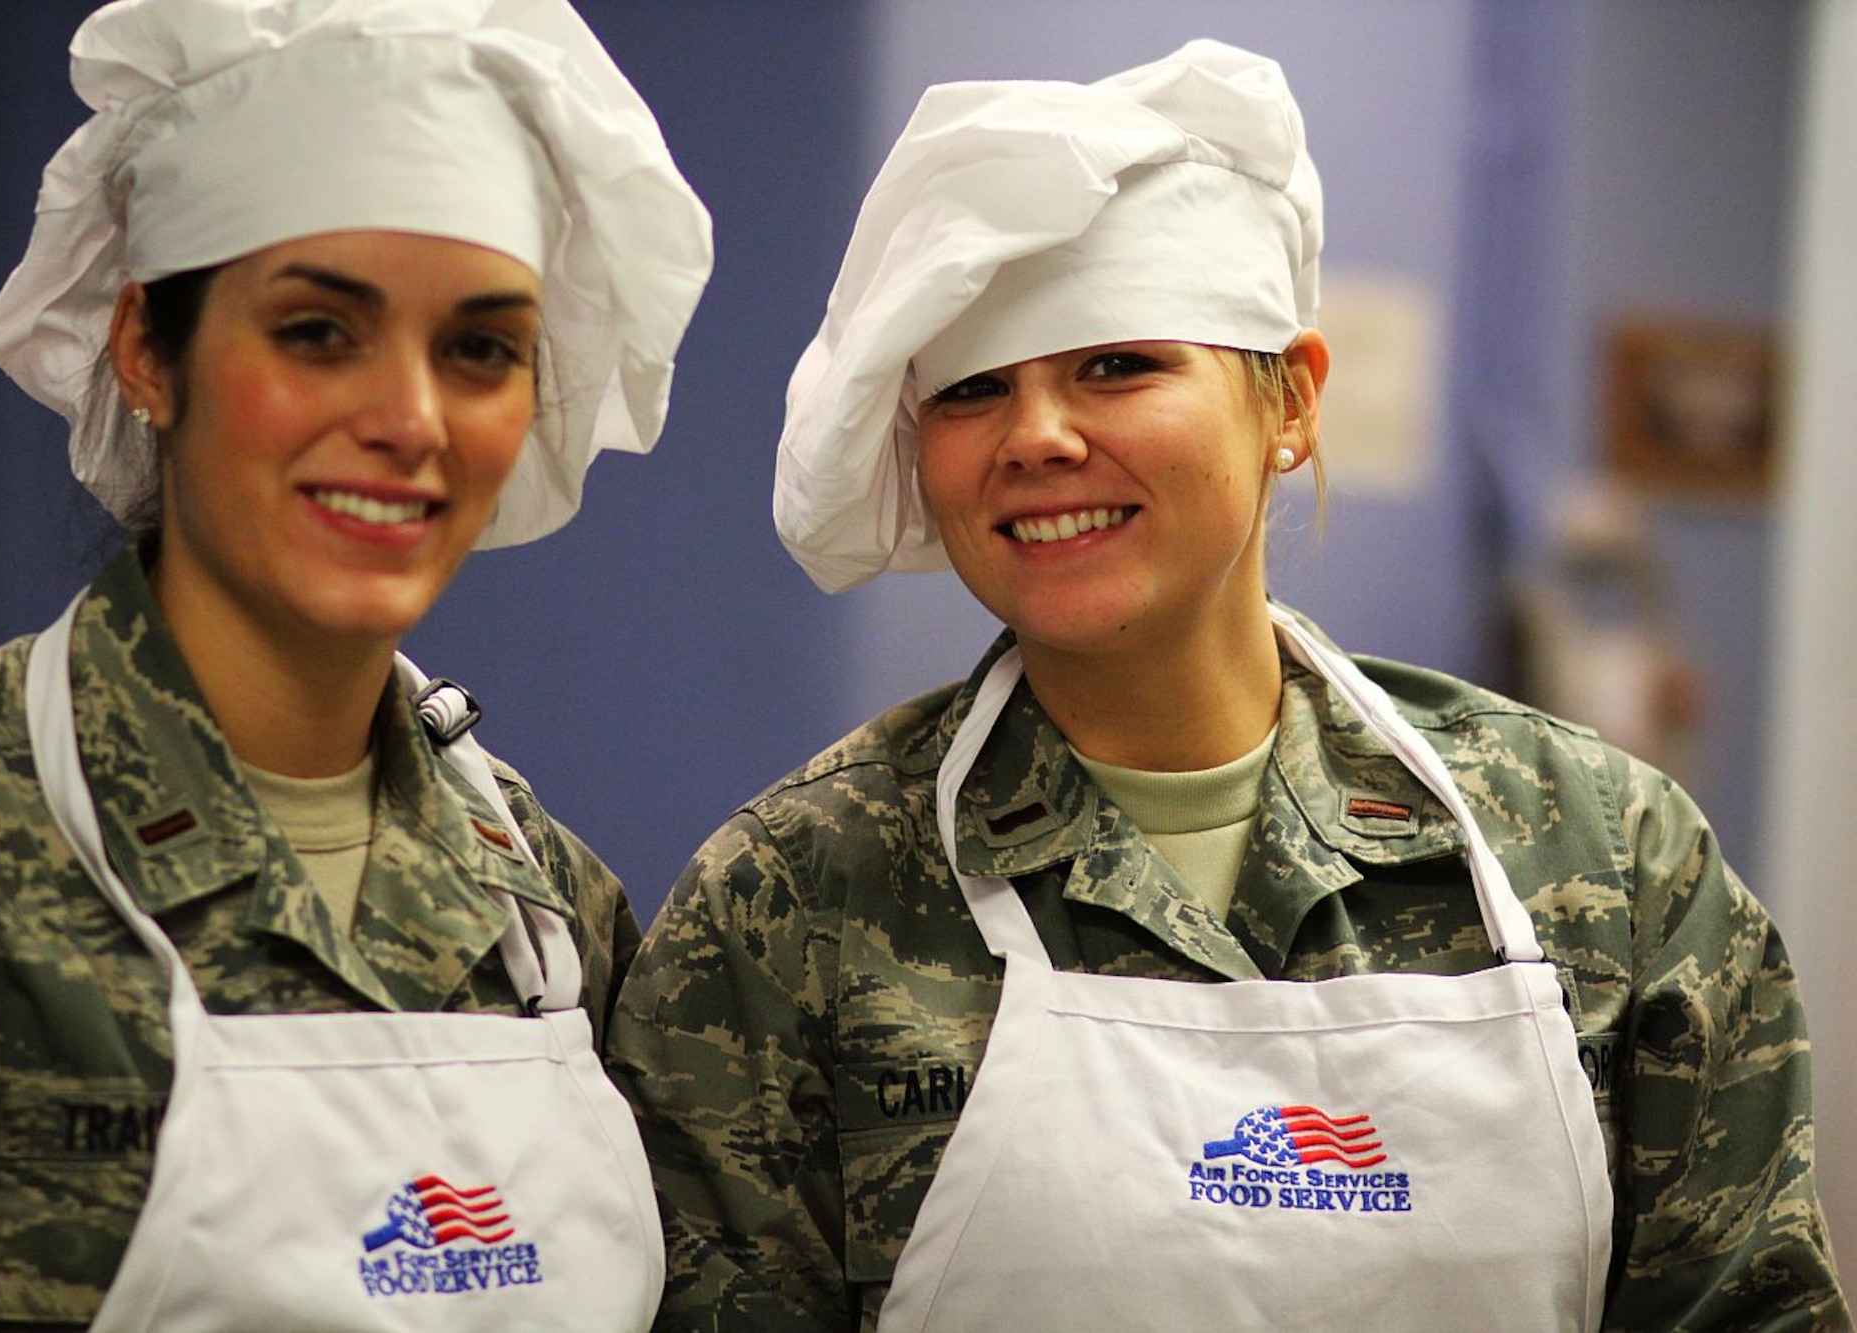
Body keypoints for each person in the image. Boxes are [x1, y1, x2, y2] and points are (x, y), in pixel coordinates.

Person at [607, 38, 1849, 1332]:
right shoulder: (796, 900)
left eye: (1117, 364)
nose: (1037, 435)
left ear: (1291, 403)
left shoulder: (1608, 864)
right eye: (975, 391)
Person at [0, 0, 710, 1328]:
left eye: (480, 348)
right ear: (147, 347)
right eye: (319, 330)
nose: (409, 420)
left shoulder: (548, 900)